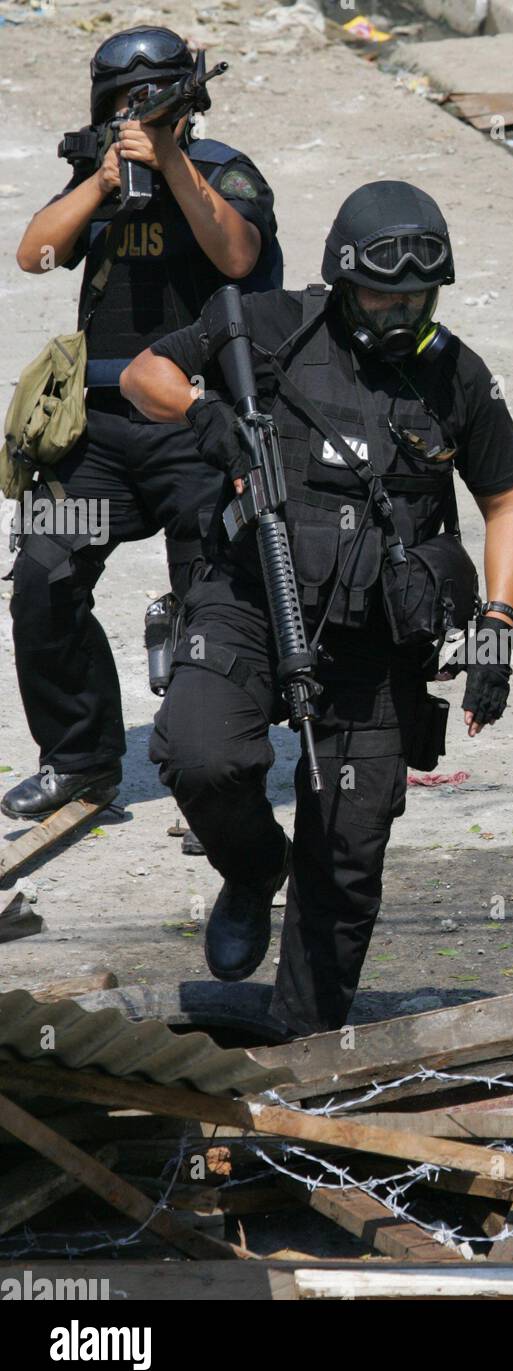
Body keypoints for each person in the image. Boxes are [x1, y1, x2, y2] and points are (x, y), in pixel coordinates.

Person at [120, 179, 513, 1039]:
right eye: (384, 293)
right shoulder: (268, 327)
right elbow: (141, 374)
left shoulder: (455, 374)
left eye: (417, 296)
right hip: (248, 598)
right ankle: (249, 868)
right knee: (201, 757)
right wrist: (206, 416)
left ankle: (304, 1053)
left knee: (345, 862)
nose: (399, 310)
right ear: (344, 280)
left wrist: (498, 621)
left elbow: (505, 502)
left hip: (372, 638)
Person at [3, 26, 281, 822]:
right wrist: (99, 181)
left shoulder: (224, 172)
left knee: (216, 603)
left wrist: (174, 167)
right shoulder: (93, 174)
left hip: (198, 423)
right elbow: (35, 255)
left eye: (150, 103)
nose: (137, 115)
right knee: (43, 578)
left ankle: (219, 783)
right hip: (97, 429)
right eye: (124, 104)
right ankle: (81, 760)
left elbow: (237, 258)